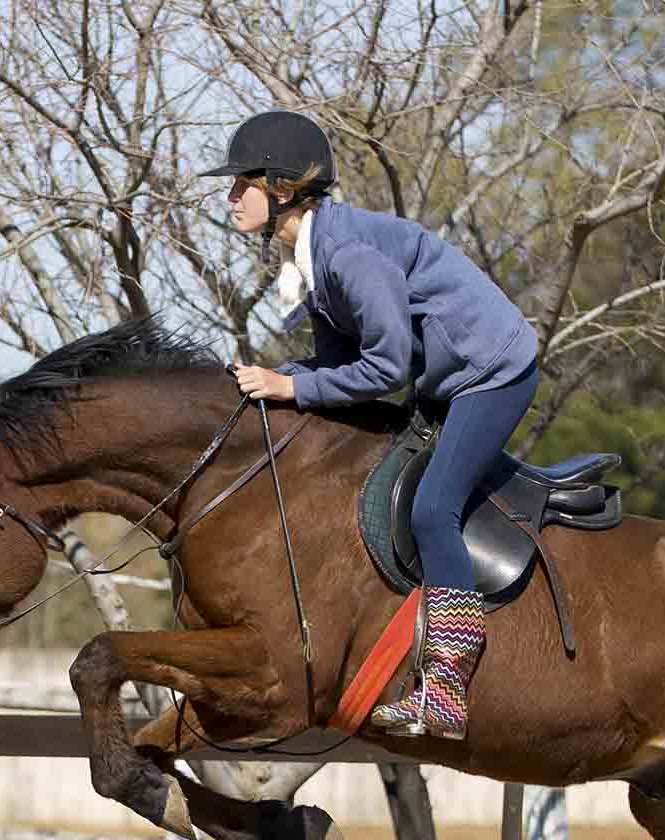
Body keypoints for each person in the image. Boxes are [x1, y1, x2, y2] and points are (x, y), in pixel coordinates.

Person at [200, 110, 539, 742]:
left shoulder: (348, 258)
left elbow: (383, 367)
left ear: (280, 189)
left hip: (491, 371)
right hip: (444, 374)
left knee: (433, 510)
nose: (228, 198)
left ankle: (445, 688)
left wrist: (291, 386)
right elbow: (336, 363)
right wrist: (273, 382)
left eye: (239, 183)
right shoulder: (314, 252)